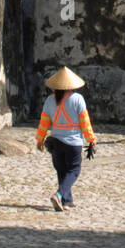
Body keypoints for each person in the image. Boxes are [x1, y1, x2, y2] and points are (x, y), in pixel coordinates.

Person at [35, 66, 97, 212]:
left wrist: (39, 140)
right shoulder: (77, 99)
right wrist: (91, 139)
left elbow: (44, 123)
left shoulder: (49, 101)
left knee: (62, 171)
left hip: (56, 141)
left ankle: (66, 202)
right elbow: (85, 122)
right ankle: (58, 195)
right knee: (74, 170)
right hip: (73, 142)